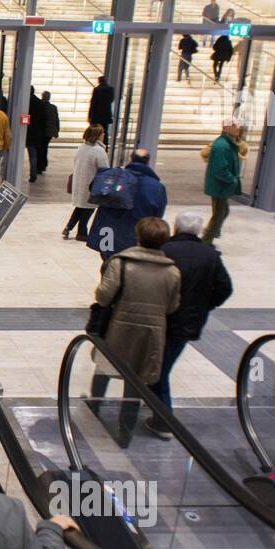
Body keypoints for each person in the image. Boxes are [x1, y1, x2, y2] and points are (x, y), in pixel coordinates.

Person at [89, 217, 182, 444]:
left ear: (138, 236)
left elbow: (103, 296)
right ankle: (125, 431)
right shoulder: (172, 272)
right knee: (136, 381)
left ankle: (94, 404)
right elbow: (172, 306)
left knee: (105, 366)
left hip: (121, 326)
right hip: (152, 332)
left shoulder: (121, 263)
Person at [144, 212, 233, 439]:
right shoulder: (210, 255)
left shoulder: (165, 250)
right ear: (199, 231)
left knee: (159, 370)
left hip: (162, 318)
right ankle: (152, 404)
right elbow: (225, 288)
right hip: (190, 321)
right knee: (161, 365)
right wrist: (205, 305)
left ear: (175, 227)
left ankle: (164, 421)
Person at [87, 149, 168, 260]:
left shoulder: (114, 177)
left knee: (108, 265)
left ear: (131, 159)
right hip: (134, 237)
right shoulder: (156, 187)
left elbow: (94, 189)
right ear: (147, 162)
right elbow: (157, 215)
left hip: (107, 233)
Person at [62, 125, 110, 240]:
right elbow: (104, 170)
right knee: (89, 207)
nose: (104, 135)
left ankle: (69, 227)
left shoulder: (81, 148)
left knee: (81, 206)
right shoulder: (99, 151)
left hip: (80, 182)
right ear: (97, 136)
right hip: (92, 184)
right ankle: (82, 233)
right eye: (102, 133)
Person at [202, 121, 242, 245]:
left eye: (238, 125)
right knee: (219, 215)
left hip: (221, 186)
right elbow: (220, 169)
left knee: (222, 212)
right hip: (220, 186)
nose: (238, 128)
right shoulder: (222, 145)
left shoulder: (227, 143)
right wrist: (232, 179)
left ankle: (211, 233)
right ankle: (206, 241)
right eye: (234, 126)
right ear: (225, 128)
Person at [88, 75, 115, 148]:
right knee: (104, 132)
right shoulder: (111, 89)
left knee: (95, 131)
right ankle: (105, 147)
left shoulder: (97, 89)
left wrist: (90, 116)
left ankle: (94, 145)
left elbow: (93, 103)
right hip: (106, 115)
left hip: (96, 115)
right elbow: (111, 100)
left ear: (99, 81)